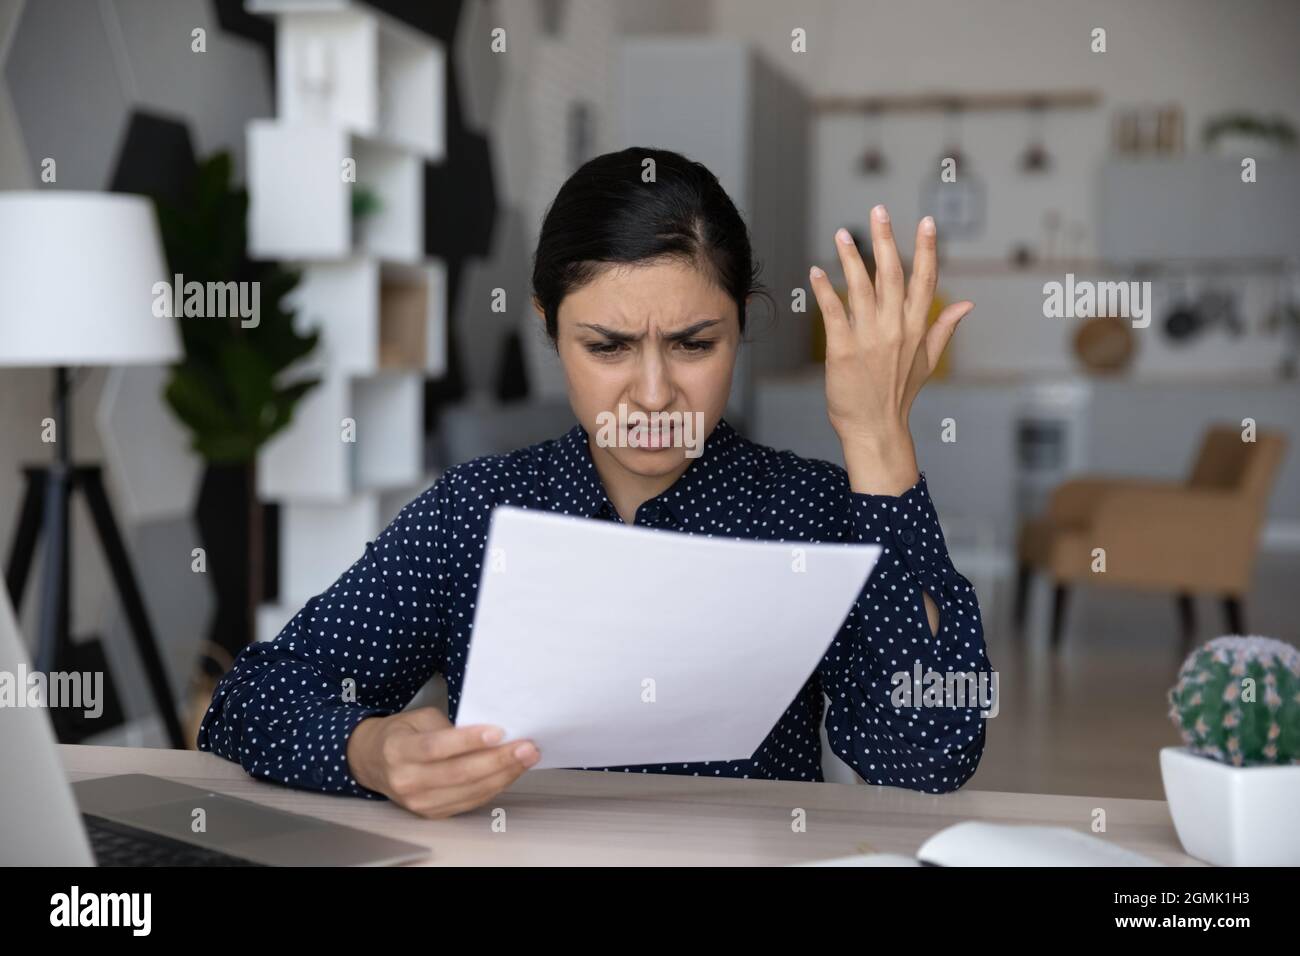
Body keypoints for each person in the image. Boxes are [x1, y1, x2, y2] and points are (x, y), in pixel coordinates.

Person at [198, 146, 992, 818]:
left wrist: (879, 439)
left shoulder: (811, 511)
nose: (652, 396)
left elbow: (924, 758)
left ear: (741, 327)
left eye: (694, 344)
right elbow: (248, 700)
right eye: (607, 347)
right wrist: (368, 750)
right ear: (548, 328)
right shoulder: (478, 511)